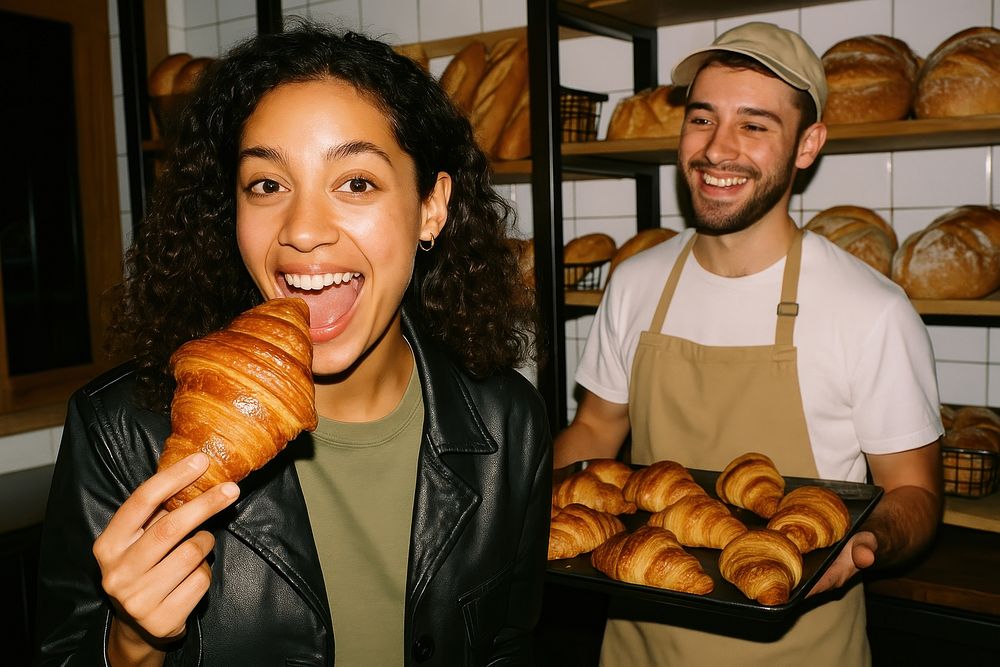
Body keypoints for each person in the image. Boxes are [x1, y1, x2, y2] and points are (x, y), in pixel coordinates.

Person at [35, 20, 552, 666]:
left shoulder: (510, 428)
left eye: (356, 182)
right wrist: (130, 646)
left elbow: (509, 649)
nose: (303, 231)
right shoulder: (123, 434)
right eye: (267, 185)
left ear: (431, 206)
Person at [553, 21, 943, 666]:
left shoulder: (869, 309)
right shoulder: (637, 282)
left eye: (754, 126)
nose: (717, 149)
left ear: (807, 145)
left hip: (800, 646)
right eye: (703, 119)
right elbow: (594, 430)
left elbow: (916, 493)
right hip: (638, 641)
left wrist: (864, 544)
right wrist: (523, 505)